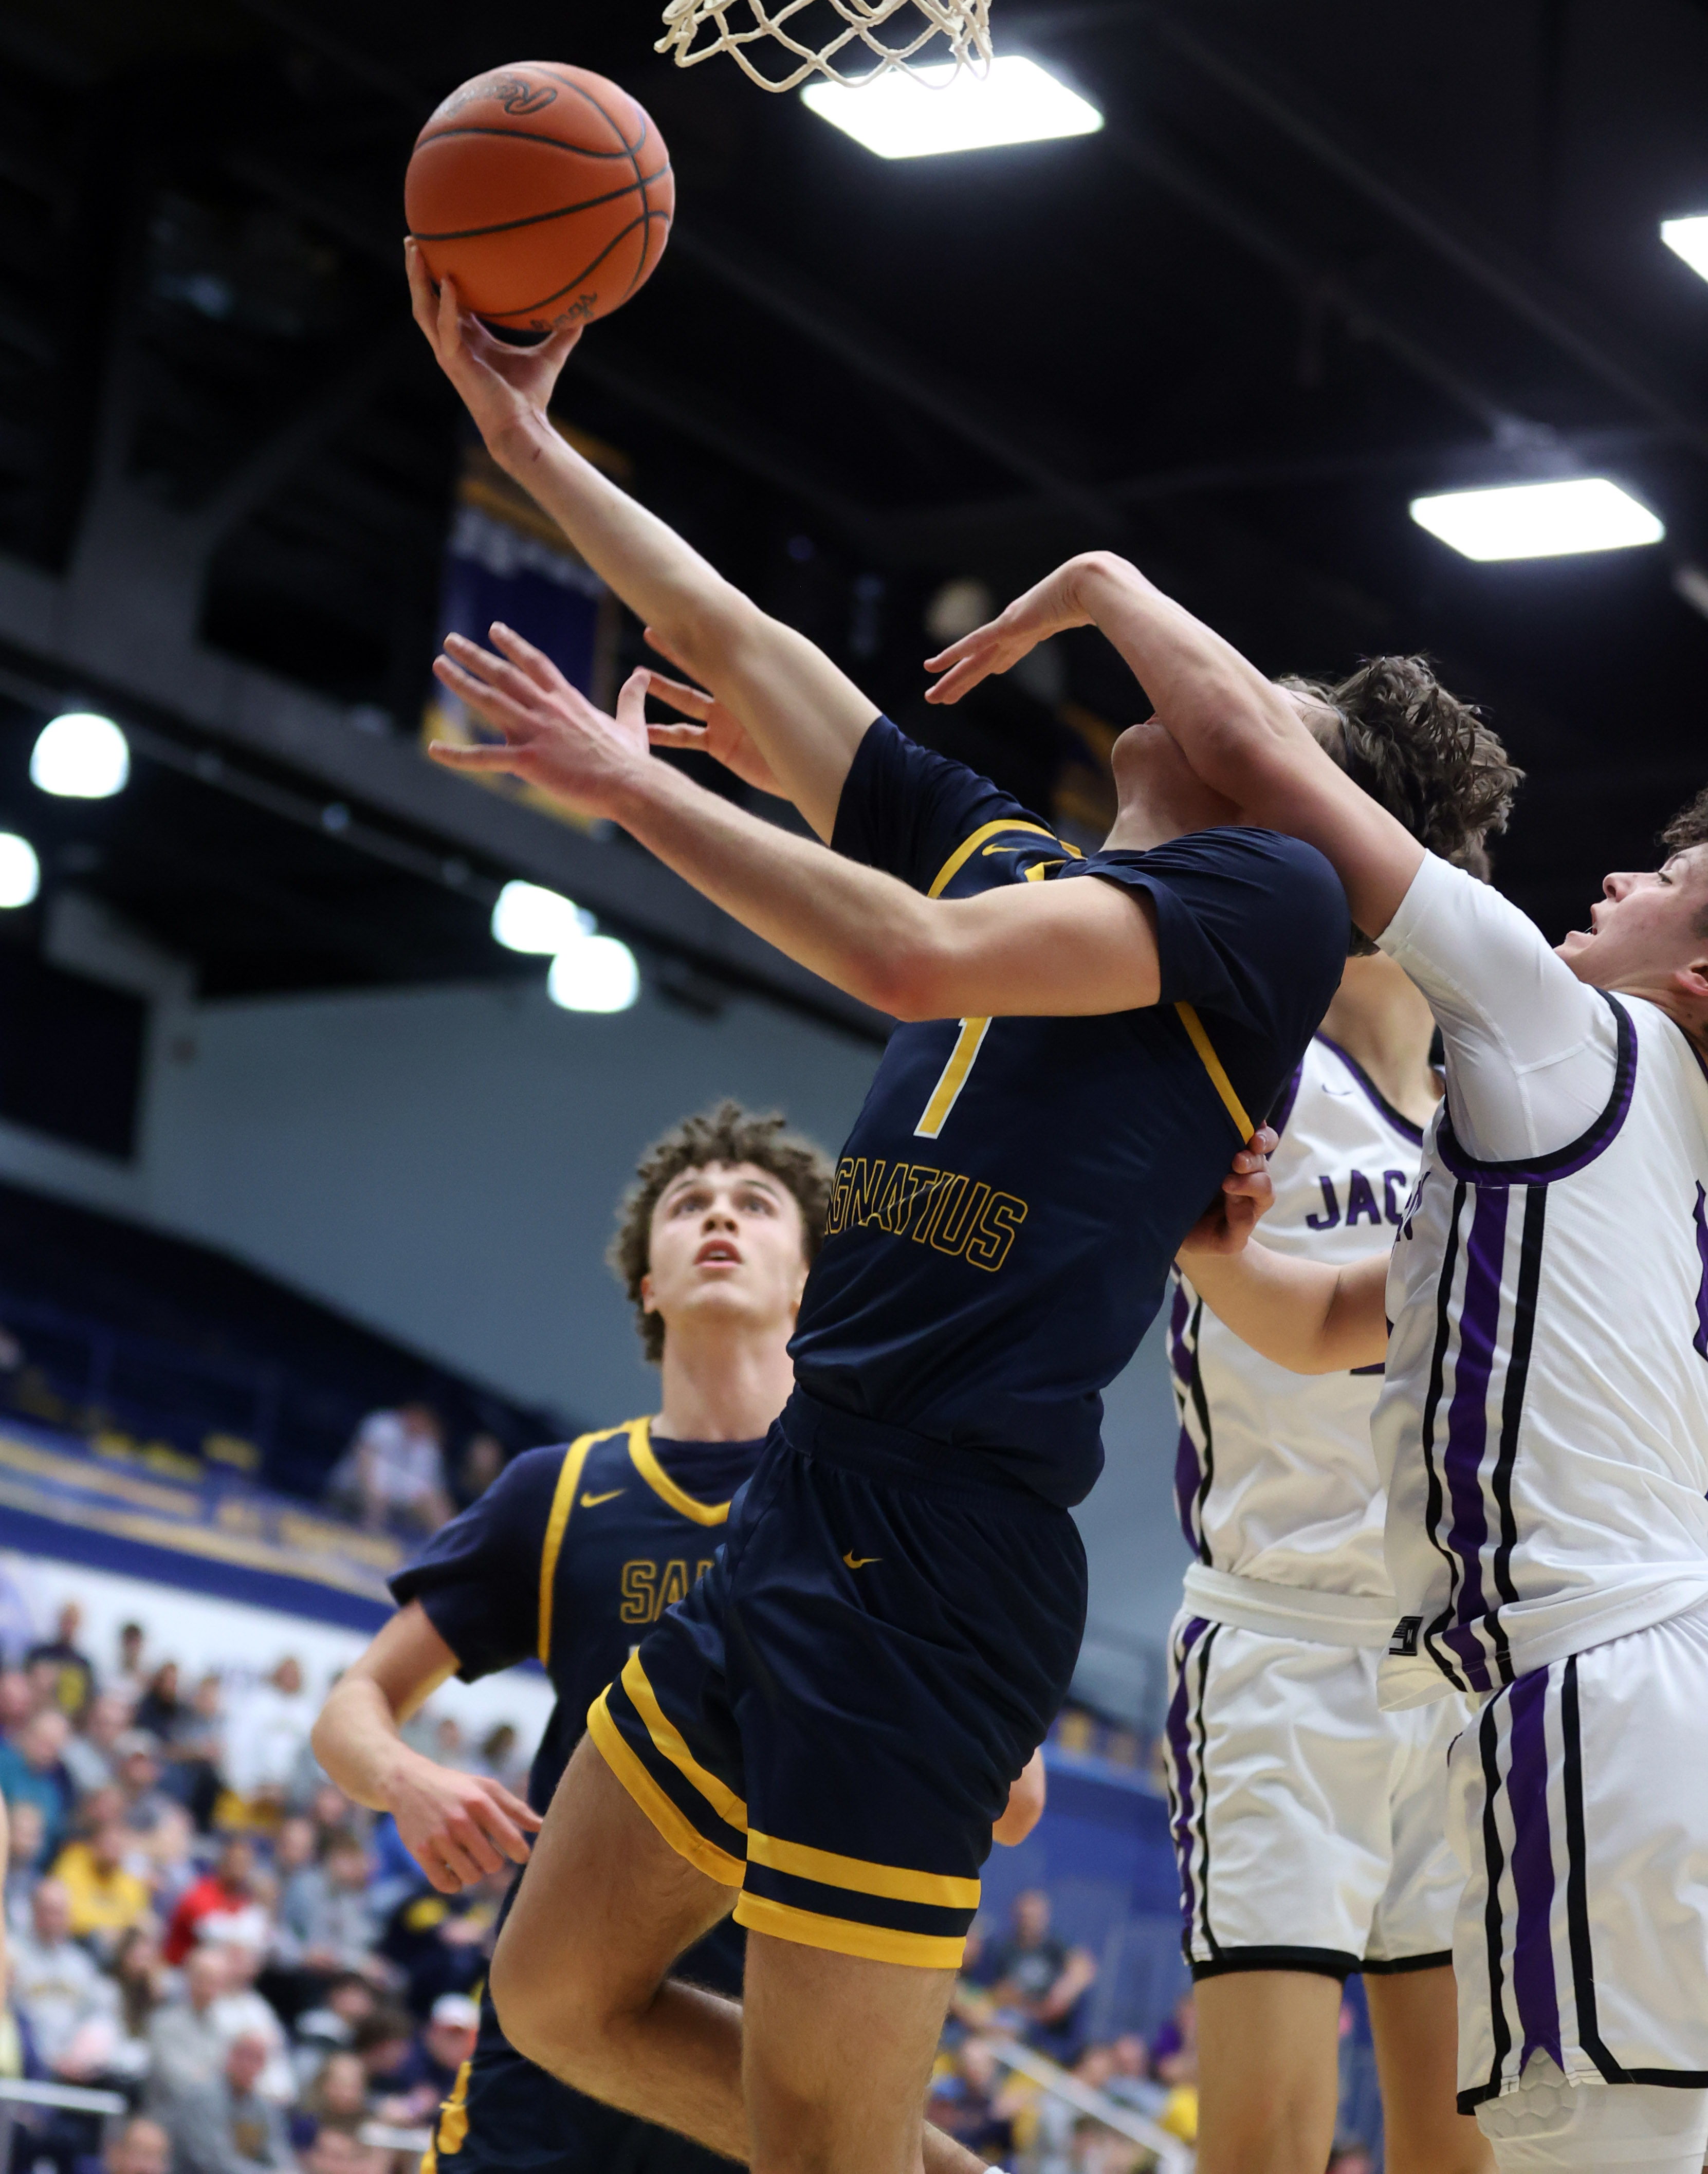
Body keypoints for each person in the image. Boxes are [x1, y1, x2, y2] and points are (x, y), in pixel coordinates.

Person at [396, 248, 1483, 2174]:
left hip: (945, 1549)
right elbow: (738, 639)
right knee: (552, 2001)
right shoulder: (1018, 850)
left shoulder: (1265, 912)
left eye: (1263, 708)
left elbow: (909, 960)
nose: (1198, 697)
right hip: (806, 1494)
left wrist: (626, 793)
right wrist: (527, 437)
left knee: (821, 2143)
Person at [978, 558, 1708, 2172]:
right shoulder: (1282, 1053)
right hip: (1295, 1640)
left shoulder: (1537, 1069)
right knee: (1314, 2138)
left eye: (1662, 881)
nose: (1607, 880)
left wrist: (1104, 588)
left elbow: (1256, 753)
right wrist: (1200, 1238)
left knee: (1522, 2136)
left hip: (1511, 1672)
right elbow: (1313, 1319)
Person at [317, 1104, 1050, 2174]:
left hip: (770, 2039)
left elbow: (1017, 1800)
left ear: (806, 1282)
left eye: (754, 1205)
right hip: (555, 2038)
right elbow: (349, 1708)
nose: (718, 1216)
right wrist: (402, 1779)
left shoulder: (881, 1502)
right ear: (647, 1285)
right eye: (687, 1204)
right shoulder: (558, 1491)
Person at [1162, 826, 1515, 2169]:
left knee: (1464, 2142)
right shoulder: (1239, 1060)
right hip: (1282, 1644)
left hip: (1452, 1668)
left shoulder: (1490, 1119)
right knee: (1265, 2145)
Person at [969, 1892, 1096, 2064]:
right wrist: (1028, 2006)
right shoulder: (1002, 1948)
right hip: (1009, 2025)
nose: (1029, 1923)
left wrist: (1059, 1997)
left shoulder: (1055, 1945)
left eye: (1035, 1918)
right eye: (1024, 1918)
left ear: (1045, 1918)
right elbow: (996, 1993)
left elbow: (1083, 1968)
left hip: (1048, 2036)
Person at [160, 2031, 293, 2174]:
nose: (248, 2065)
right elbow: (213, 2162)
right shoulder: (204, 2097)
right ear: (229, 2056)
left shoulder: (264, 2106)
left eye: (257, 2059)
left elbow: (278, 2151)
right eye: (244, 2056)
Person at [328, 1406, 453, 1537]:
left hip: (396, 1502)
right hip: (353, 1487)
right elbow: (364, 1464)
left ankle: (446, 1548)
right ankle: (369, 1537)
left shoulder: (428, 1447)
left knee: (435, 1504)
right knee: (377, 1490)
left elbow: (436, 1491)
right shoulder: (383, 1424)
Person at [50, 1820, 152, 1958]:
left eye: (117, 1847)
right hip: (74, 1943)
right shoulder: (74, 1862)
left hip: (116, 1949)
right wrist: (104, 1928)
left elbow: (137, 1920)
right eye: (108, 1845)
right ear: (94, 1844)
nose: (112, 1853)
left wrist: (116, 1932)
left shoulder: (129, 1881)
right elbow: (67, 1913)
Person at [27, 1604, 95, 1725]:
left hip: (67, 1723)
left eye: (72, 1622)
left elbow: (87, 1703)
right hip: (33, 1716)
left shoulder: (83, 1664)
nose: (68, 1626)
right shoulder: (38, 1654)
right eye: (66, 1621)